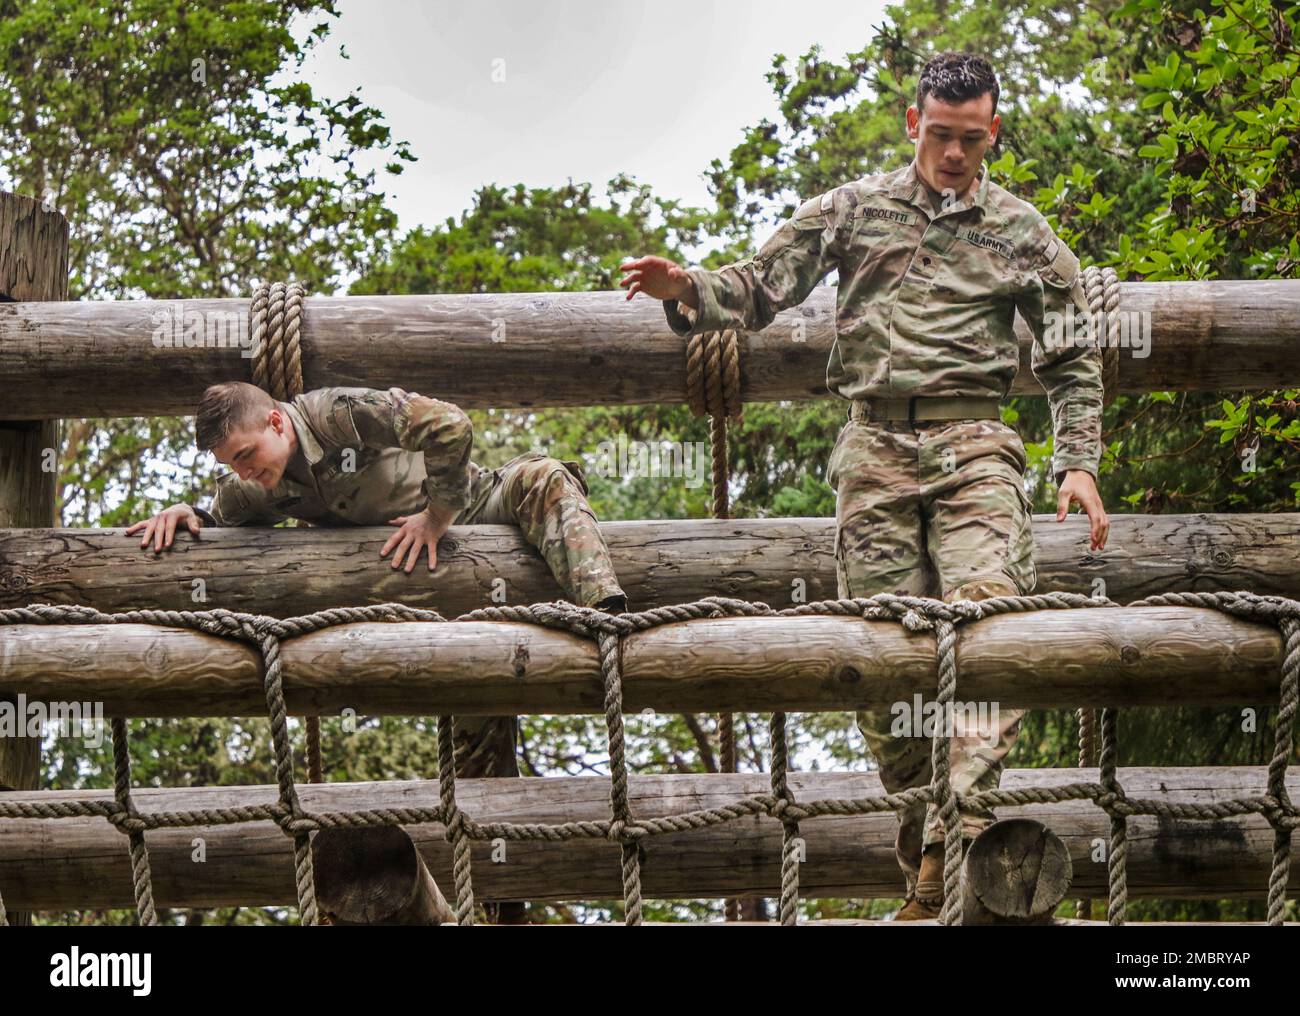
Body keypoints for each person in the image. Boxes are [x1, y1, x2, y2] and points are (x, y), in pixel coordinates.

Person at [618, 51, 1109, 919]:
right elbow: (759, 288)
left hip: (976, 444)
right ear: (912, 123)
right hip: (873, 446)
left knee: (992, 635)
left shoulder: (1022, 232)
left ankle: (953, 847)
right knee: (882, 670)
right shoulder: (852, 209)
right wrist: (686, 286)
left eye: (971, 138)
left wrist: (1078, 460)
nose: (955, 153)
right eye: (940, 135)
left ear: (992, 131)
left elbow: (1073, 351)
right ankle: (922, 835)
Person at [127, 380, 629, 923]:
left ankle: (608, 622)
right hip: (434, 619)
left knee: (545, 476)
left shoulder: (339, 414)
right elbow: (216, 513)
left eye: (245, 456)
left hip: (475, 512)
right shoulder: (257, 486)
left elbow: (450, 424)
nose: (244, 472)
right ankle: (505, 910)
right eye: (233, 464)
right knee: (481, 776)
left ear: (276, 423)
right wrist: (185, 510)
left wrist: (436, 517)